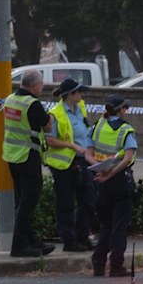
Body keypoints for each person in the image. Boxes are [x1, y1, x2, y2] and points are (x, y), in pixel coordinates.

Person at [0, 69, 55, 258]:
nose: (43, 87)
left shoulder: (10, 99)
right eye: (41, 84)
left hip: (11, 156)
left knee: (21, 201)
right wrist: (51, 118)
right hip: (27, 156)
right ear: (33, 85)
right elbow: (48, 125)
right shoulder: (32, 104)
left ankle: (32, 240)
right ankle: (20, 246)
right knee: (28, 202)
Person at [44, 77, 97, 252]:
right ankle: (70, 241)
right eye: (79, 92)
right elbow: (50, 141)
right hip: (63, 165)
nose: (82, 94)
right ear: (70, 95)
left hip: (82, 161)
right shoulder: (56, 114)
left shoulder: (80, 108)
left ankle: (82, 236)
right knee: (65, 204)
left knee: (88, 199)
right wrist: (71, 145)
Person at [90, 95, 138, 277]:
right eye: (125, 108)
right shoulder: (127, 130)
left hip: (101, 181)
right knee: (119, 225)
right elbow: (127, 158)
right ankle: (116, 265)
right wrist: (110, 172)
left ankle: (98, 263)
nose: (126, 111)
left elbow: (88, 152)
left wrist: (99, 170)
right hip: (119, 180)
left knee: (105, 224)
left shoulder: (97, 126)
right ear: (121, 110)